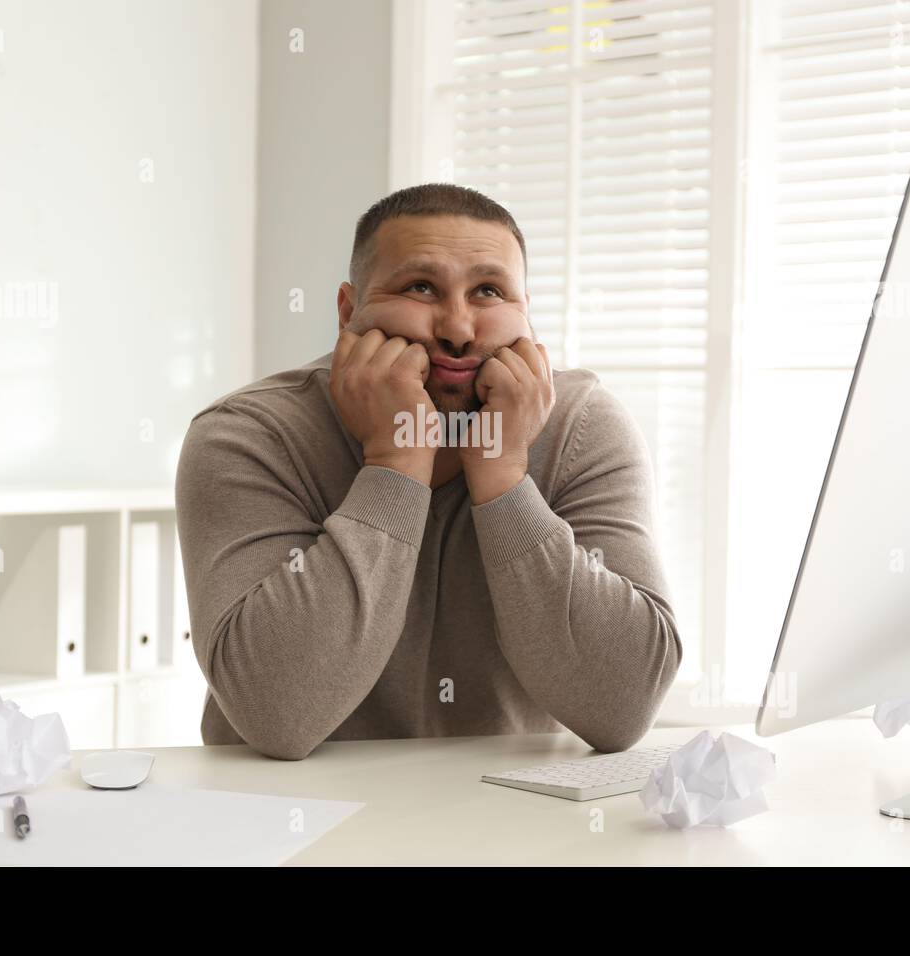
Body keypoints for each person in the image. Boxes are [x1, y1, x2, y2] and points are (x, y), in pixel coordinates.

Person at [175, 183, 681, 759]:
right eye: (421, 287)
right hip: (291, 823)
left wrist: (504, 472)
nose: (459, 329)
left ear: (525, 312)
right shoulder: (246, 435)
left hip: (504, 820)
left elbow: (622, 708)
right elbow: (279, 716)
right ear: (348, 311)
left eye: (489, 291)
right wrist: (397, 460)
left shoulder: (583, 427)